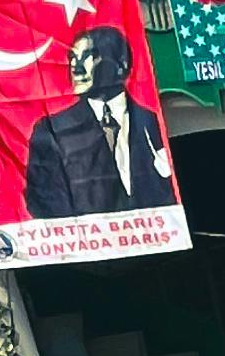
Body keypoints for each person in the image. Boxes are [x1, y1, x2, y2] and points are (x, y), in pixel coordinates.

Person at [20, 26, 177, 222]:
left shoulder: (153, 123)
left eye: (89, 56)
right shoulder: (52, 129)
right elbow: (41, 198)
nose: (76, 68)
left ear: (122, 64)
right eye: (72, 58)